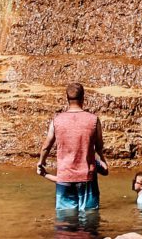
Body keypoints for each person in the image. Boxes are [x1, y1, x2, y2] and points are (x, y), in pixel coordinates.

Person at [37, 84, 107, 225]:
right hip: (87, 176)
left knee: (65, 218)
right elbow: (99, 145)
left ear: (67, 98)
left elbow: (46, 146)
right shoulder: (93, 119)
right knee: (89, 217)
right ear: (83, 97)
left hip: (65, 176)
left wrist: (41, 162)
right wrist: (103, 160)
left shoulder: (57, 120)